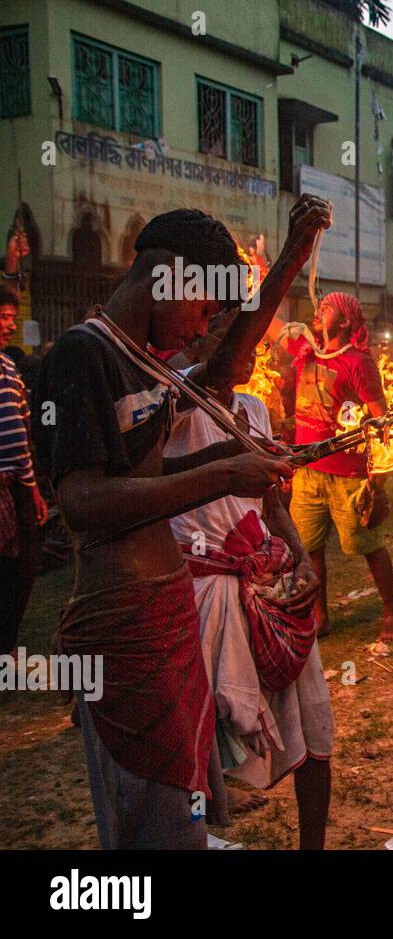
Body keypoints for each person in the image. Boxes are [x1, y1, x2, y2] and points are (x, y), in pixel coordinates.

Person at [33, 198, 328, 848]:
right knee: (153, 829)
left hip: (165, 618)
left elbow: (159, 465)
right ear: (167, 276)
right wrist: (223, 477)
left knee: (182, 823)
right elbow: (83, 502)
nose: (202, 333)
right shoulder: (84, 356)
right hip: (122, 628)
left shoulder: (147, 364)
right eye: (203, 311)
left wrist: (231, 453)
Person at [164, 346, 333, 849]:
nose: (250, 345)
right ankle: (200, 827)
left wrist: (301, 558)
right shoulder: (172, 398)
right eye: (231, 328)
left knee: (314, 724)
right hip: (198, 589)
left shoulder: (255, 409)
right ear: (201, 329)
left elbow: (271, 503)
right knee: (191, 745)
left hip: (266, 583)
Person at [284, 292, 393, 642]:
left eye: (329, 307)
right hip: (306, 470)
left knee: (367, 546)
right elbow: (269, 325)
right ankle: (320, 616)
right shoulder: (305, 350)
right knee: (310, 548)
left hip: (348, 475)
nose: (320, 309)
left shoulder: (358, 362)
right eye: (320, 305)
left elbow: (380, 420)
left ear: (347, 321)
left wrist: (377, 478)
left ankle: (391, 611)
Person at [0, 285, 46, 657]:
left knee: (22, 569)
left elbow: (22, 431)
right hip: (8, 485)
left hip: (17, 484)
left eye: (12, 319)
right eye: (3, 318)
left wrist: (30, 487)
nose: (8, 326)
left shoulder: (8, 368)